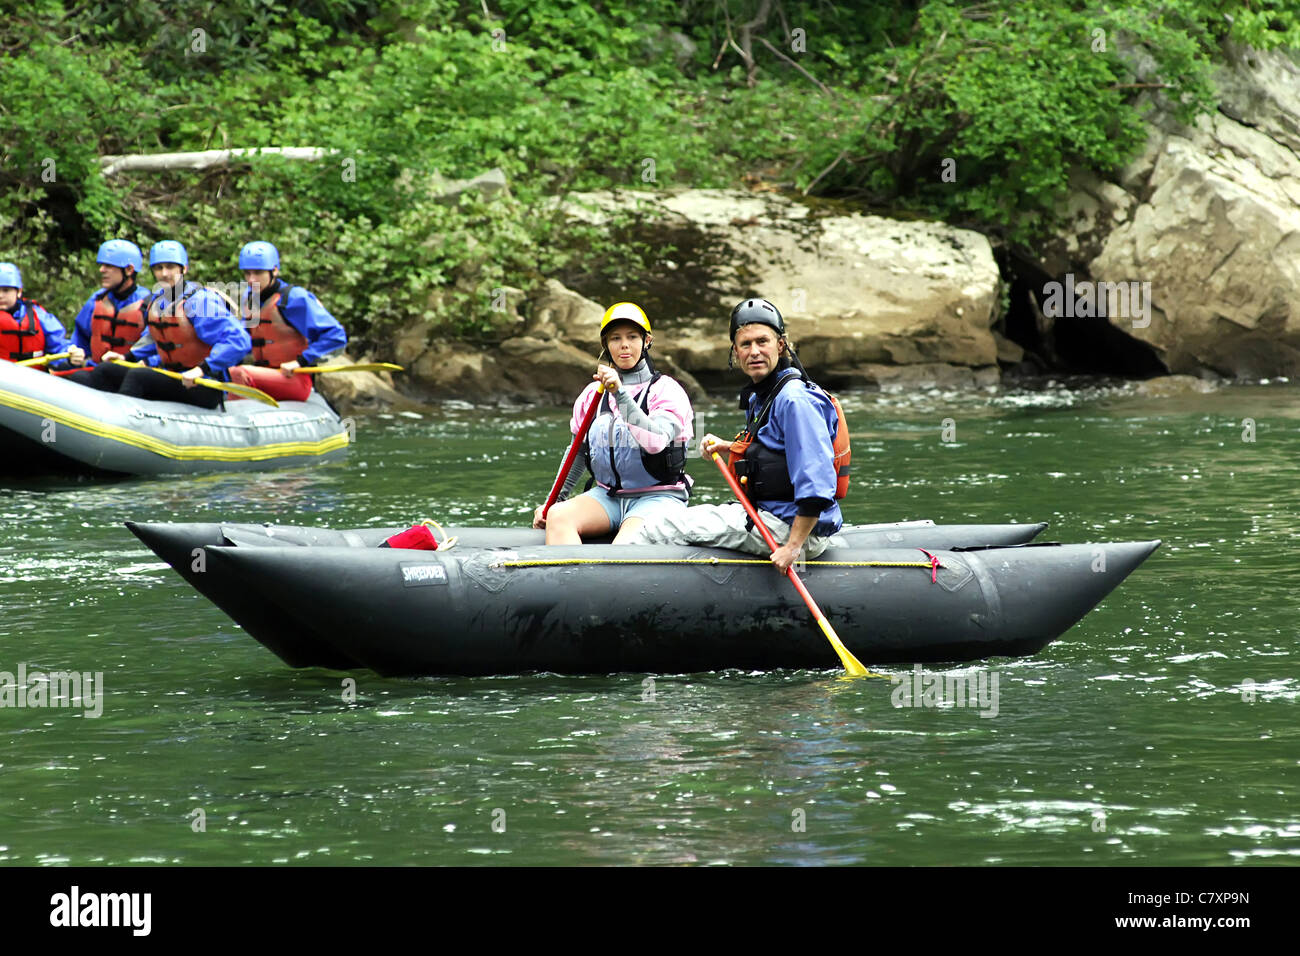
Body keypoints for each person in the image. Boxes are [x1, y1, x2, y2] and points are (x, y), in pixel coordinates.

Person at [623, 298, 846, 572]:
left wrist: (792, 547)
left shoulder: (794, 401)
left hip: (789, 529)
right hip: (773, 516)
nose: (754, 351)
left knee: (659, 527)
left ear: (781, 345)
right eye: (745, 344)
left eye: (762, 341)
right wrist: (729, 446)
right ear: (735, 352)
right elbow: (773, 452)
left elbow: (818, 483)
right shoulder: (765, 394)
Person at [532, 302, 694, 544]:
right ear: (606, 345)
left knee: (624, 545)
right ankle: (573, 580)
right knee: (558, 516)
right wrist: (553, 501)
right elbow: (577, 451)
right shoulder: (591, 395)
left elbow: (655, 442)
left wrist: (620, 393)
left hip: (658, 498)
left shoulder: (666, 390)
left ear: (647, 340)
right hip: (607, 496)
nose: (624, 345)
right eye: (615, 338)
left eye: (632, 337)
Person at [228, 241, 347, 402]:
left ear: (274, 270)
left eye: (258, 273)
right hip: (263, 375)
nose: (251, 279)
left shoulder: (294, 298)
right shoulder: (250, 299)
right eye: (247, 273)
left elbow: (336, 336)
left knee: (239, 372)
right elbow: (244, 341)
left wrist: (300, 362)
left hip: (294, 379)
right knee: (228, 370)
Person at [60, 240, 151, 387]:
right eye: (102, 265)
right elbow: (80, 338)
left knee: (86, 377)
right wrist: (75, 351)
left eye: (108, 266)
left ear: (128, 270)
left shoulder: (149, 304)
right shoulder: (97, 300)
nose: (102, 270)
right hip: (96, 368)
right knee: (67, 369)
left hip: (129, 374)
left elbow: (153, 344)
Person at [0, 262, 71, 365]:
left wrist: (70, 352)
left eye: (6, 290)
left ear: (19, 292)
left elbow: (58, 343)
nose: (0, 296)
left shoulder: (36, 313)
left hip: (34, 376)